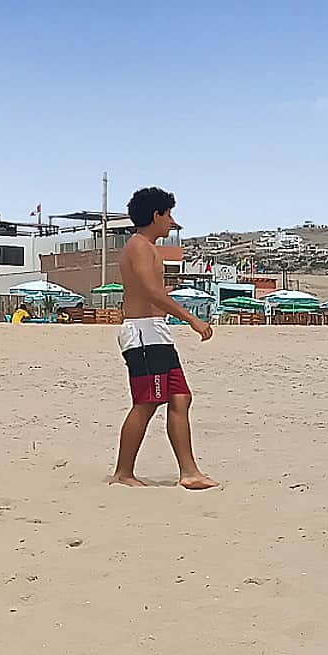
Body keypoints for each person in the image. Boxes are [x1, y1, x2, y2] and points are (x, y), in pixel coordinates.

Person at [111, 187, 218, 489]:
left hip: (156, 332)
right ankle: (123, 473)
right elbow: (151, 291)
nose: (172, 221)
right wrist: (192, 320)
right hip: (143, 333)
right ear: (156, 215)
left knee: (181, 397)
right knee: (147, 402)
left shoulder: (147, 247)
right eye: (169, 214)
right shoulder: (139, 246)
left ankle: (189, 472)